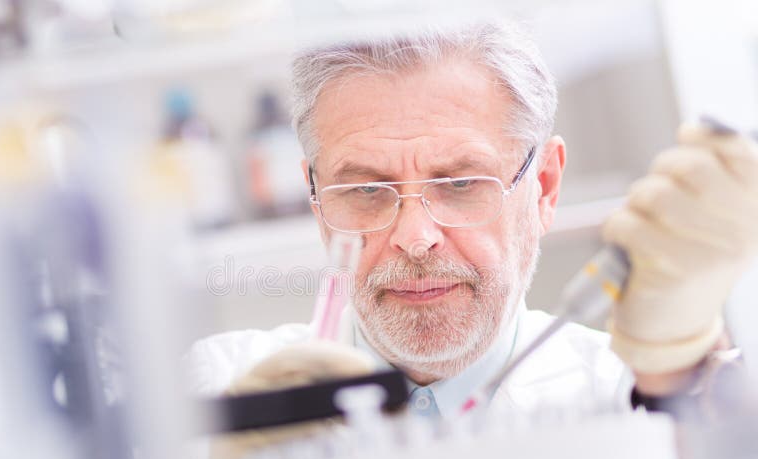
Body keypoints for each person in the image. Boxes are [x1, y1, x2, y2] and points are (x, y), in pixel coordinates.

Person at [186, 20, 758, 421]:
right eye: (365, 189)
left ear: (545, 187)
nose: (415, 238)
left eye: (460, 183)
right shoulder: (217, 392)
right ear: (315, 199)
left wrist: (678, 368)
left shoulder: (627, 394)